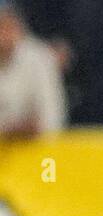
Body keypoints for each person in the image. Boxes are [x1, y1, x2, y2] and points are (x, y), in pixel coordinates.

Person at [0, 2, 65, 136]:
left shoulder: (40, 59)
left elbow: (52, 118)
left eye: (7, 27)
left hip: (36, 151)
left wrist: (26, 129)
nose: (3, 36)